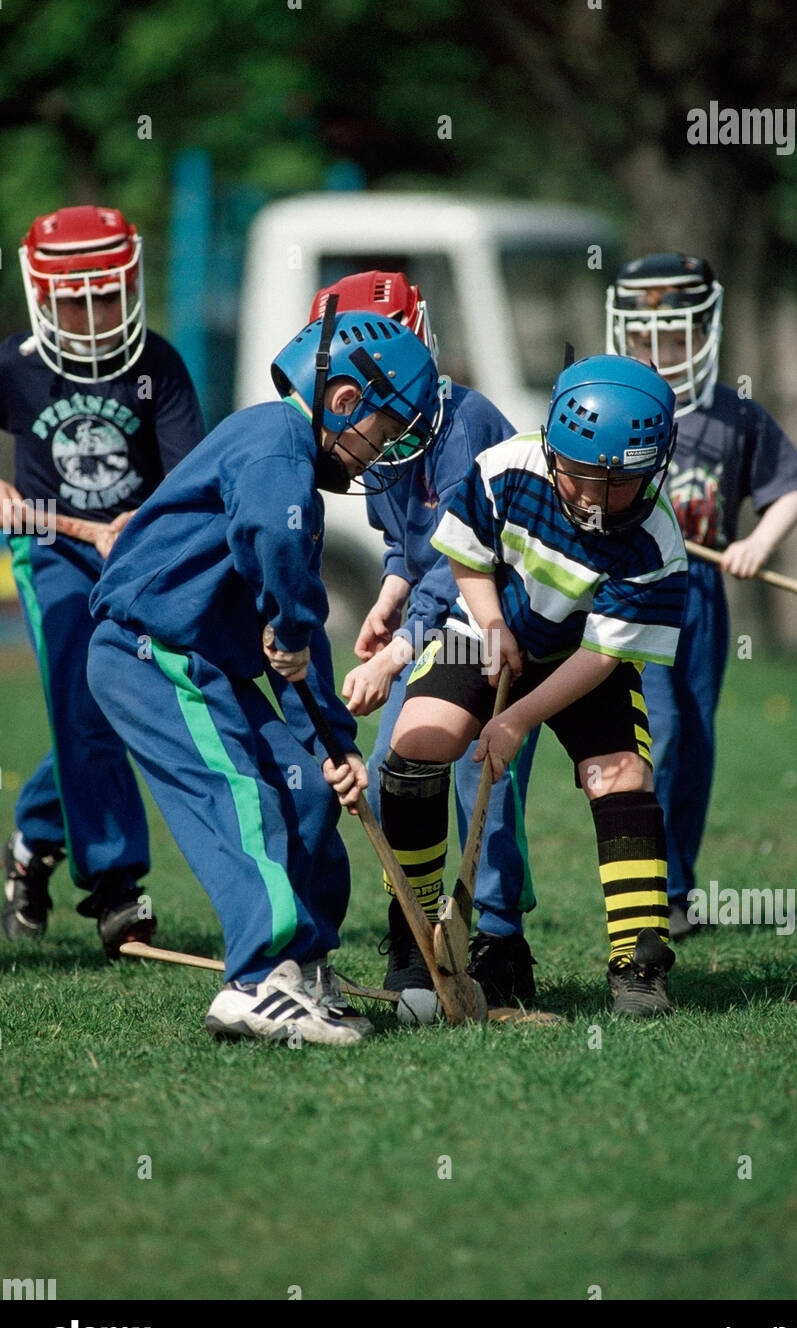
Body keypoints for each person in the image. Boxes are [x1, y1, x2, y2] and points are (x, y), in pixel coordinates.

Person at [86, 306, 443, 1045]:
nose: (379, 456)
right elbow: (277, 563)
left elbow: (295, 644)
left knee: (306, 791)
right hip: (151, 656)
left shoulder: (293, 480)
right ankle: (254, 982)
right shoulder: (276, 452)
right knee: (247, 795)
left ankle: (301, 970)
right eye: (381, 435)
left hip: (203, 667)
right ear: (343, 400)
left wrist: (334, 745)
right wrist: (286, 621)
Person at [330, 354, 689, 1017]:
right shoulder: (507, 469)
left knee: (620, 774)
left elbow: (605, 658)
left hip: (583, 655)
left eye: (615, 485)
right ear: (552, 450)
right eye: (577, 476)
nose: (588, 497)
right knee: (418, 743)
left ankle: (638, 963)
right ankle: (415, 941)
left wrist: (517, 718)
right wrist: (493, 626)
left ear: (652, 469)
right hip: (481, 628)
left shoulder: (658, 544)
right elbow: (466, 554)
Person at [309, 271, 538, 1006]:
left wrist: (399, 649)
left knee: (481, 769)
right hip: (432, 617)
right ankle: (415, 938)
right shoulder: (380, 440)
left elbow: (463, 555)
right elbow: (407, 547)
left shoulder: (460, 422)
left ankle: (499, 943)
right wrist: (389, 596)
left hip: (498, 619)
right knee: (389, 764)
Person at [0, 205, 205, 955]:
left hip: (137, 554)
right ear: (42, 295)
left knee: (114, 706)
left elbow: (185, 478)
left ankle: (32, 840)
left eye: (106, 294)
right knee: (85, 698)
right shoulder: (17, 366)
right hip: (50, 550)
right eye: (72, 298)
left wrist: (138, 528)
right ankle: (116, 889)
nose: (90, 314)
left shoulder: (159, 365)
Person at [606, 253, 797, 937]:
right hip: (638, 592)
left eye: (677, 336)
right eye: (647, 338)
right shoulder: (615, 408)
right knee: (658, 731)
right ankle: (645, 889)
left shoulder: (734, 415)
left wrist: (758, 543)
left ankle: (678, 888)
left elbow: (790, 487)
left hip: (701, 596)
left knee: (695, 738)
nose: (662, 352)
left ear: (704, 333)